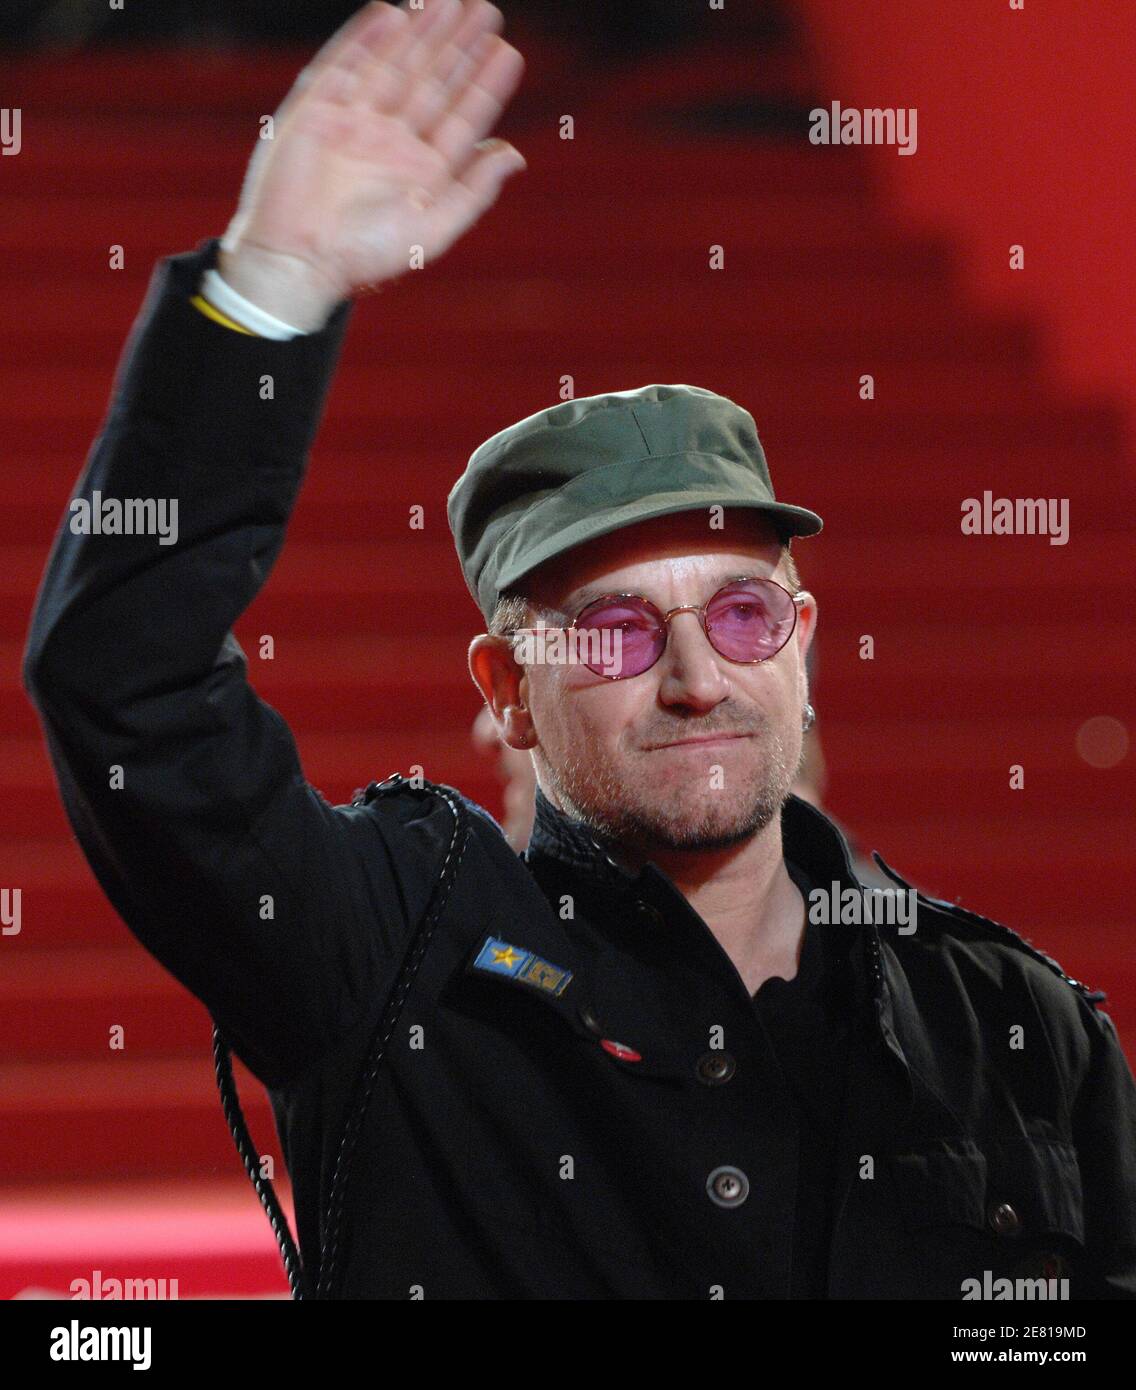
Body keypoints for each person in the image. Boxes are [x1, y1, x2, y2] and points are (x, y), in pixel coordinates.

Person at [23, 0, 1136, 1300]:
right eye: (614, 627)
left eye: (742, 612)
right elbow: (124, 689)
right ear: (509, 694)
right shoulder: (388, 959)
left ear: (805, 647)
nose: (697, 676)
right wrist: (270, 286)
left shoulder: (1017, 1025)